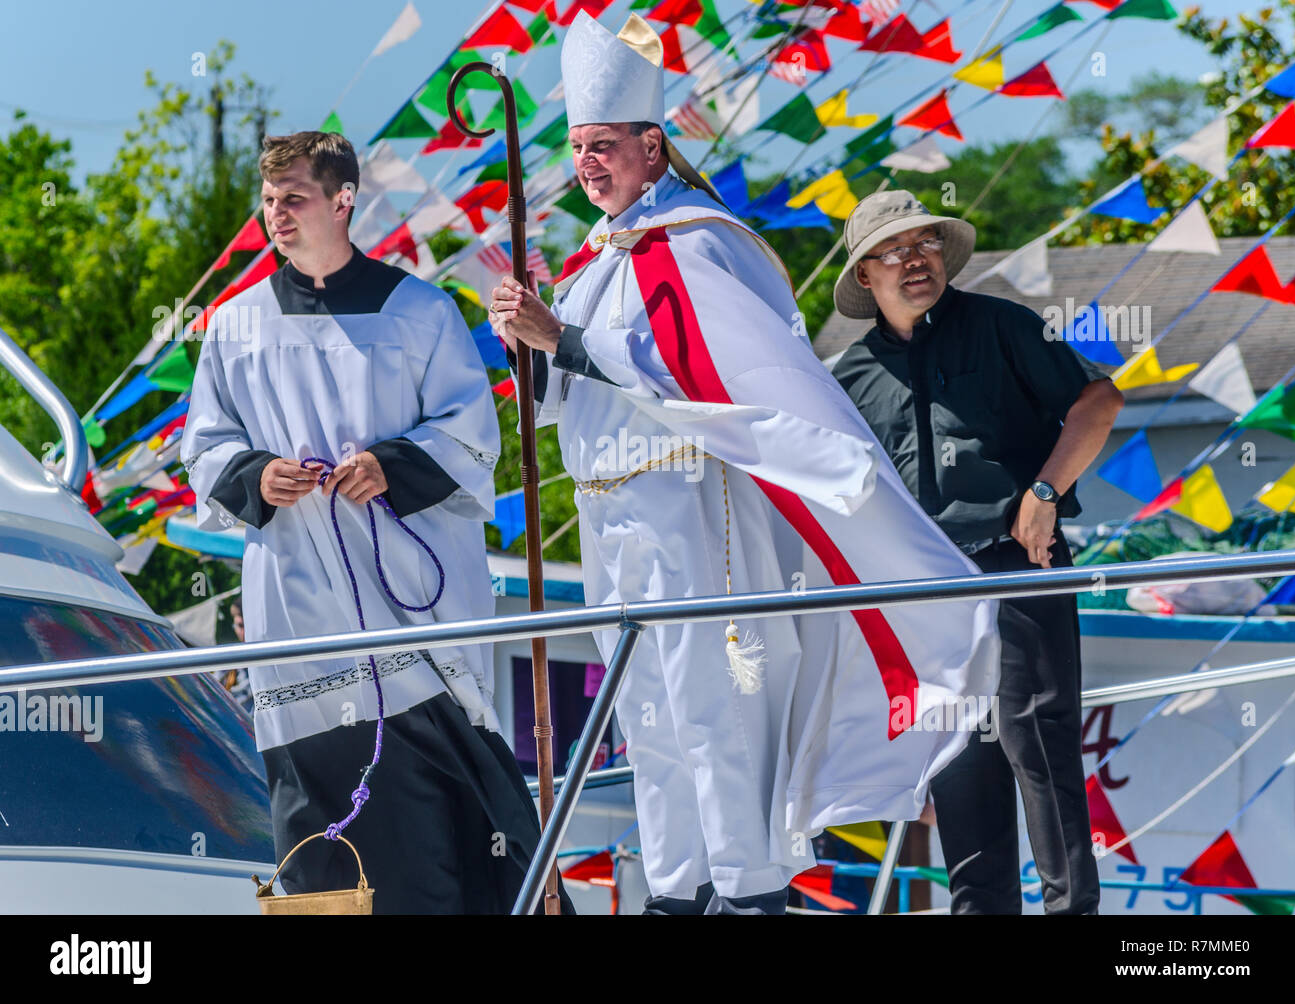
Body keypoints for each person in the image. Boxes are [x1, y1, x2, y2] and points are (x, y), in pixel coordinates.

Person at [491, 12, 1000, 915]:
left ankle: (747, 888)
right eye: (578, 147)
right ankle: (678, 889)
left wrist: (560, 341)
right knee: (643, 717)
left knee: (711, 708)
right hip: (617, 525)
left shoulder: (693, 241)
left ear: (652, 146)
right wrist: (531, 346)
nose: (588, 164)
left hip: (693, 516)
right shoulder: (591, 264)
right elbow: (569, 396)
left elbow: (700, 377)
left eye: (604, 145)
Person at [182, 130, 570, 914]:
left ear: (343, 201)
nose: (276, 216)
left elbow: (472, 433)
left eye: (293, 198)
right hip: (298, 629)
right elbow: (203, 449)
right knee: (322, 852)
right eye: (268, 202)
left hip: (409, 626)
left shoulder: (418, 311)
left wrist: (392, 464)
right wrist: (258, 474)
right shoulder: (235, 327)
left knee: (442, 840)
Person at [830, 190, 1125, 914]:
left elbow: (1100, 402)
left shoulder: (1003, 325)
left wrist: (1046, 493)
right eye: (894, 251)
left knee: (1040, 750)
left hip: (1018, 563)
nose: (915, 259)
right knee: (958, 767)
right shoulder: (846, 377)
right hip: (923, 595)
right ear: (865, 276)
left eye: (926, 243)